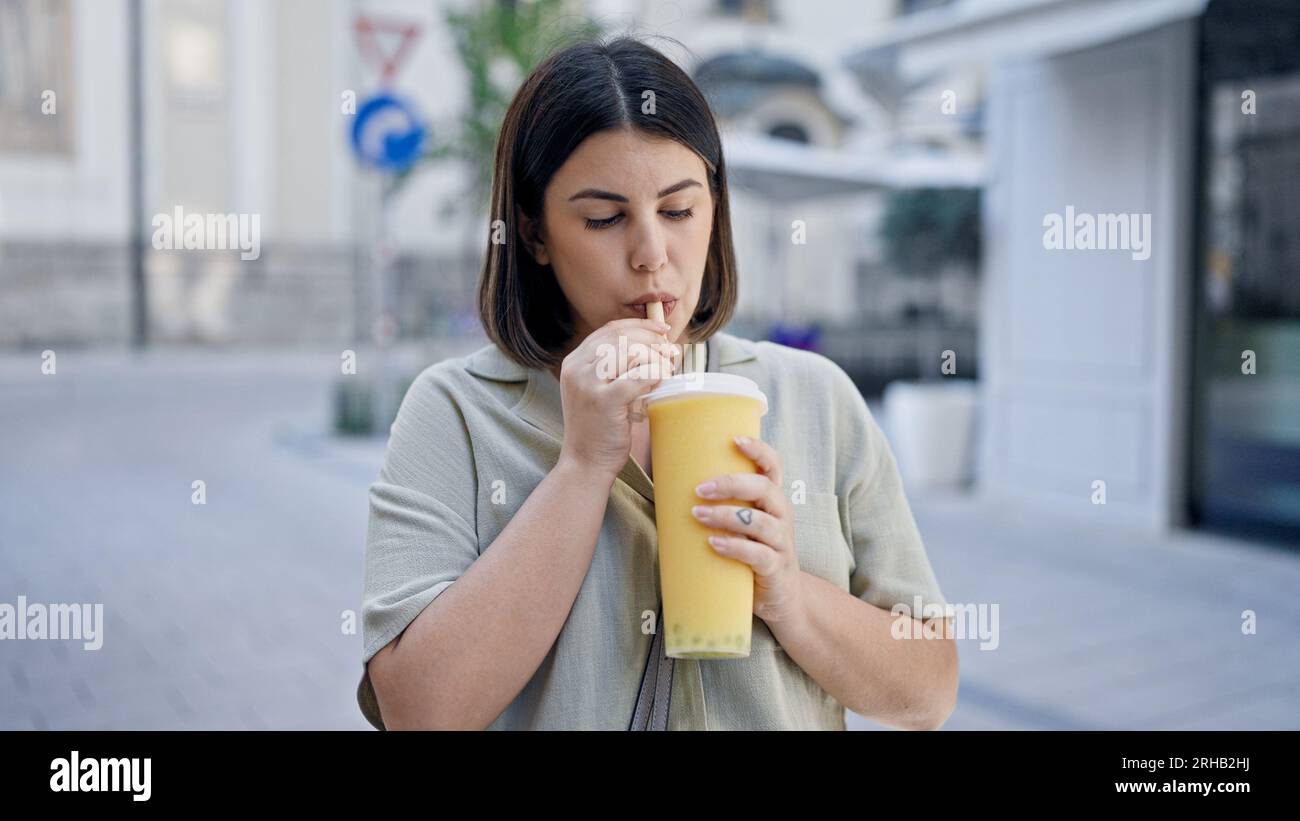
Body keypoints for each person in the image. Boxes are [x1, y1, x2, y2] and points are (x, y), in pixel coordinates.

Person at [357, 35, 957, 730]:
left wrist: (790, 596)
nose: (651, 255)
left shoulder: (813, 397)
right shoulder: (456, 413)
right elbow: (419, 711)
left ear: (715, 207)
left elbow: (930, 690)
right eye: (604, 219)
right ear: (533, 232)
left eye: (678, 210)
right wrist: (582, 467)